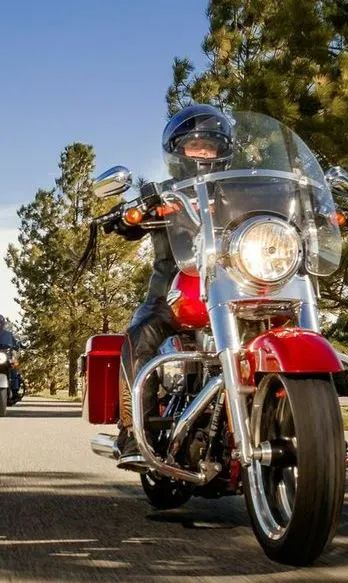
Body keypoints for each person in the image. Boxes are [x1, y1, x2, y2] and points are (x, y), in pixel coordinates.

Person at [111, 104, 234, 471]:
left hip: (239, 292)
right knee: (139, 335)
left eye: (209, 145)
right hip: (176, 292)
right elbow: (131, 221)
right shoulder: (162, 193)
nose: (201, 153)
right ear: (177, 152)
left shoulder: (244, 191)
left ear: (223, 151)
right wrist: (129, 215)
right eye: (193, 146)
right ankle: (134, 431)